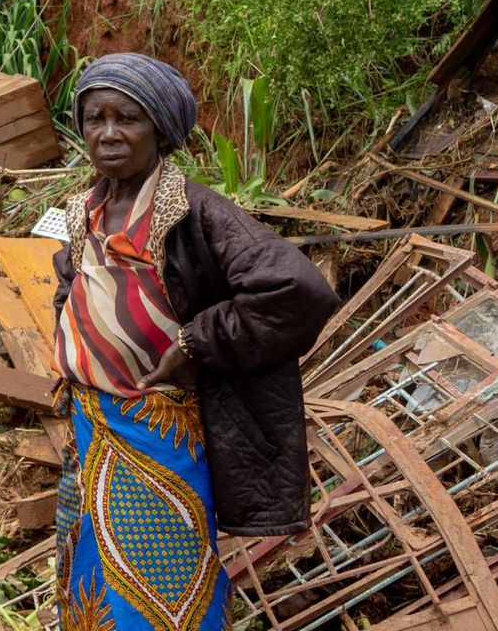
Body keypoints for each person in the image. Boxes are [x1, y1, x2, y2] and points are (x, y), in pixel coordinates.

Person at [52, 53, 339, 631]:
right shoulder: (87, 208)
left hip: (159, 431)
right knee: (91, 581)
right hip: (91, 424)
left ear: (159, 127)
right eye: (94, 118)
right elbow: (73, 288)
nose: (108, 134)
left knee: (165, 586)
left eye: (126, 119)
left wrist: (194, 342)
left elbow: (298, 288)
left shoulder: (198, 211)